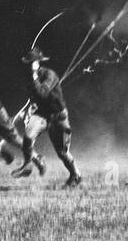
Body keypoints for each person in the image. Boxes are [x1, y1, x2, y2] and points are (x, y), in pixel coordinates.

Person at [14, 47, 81, 186]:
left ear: (38, 63)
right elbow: (34, 99)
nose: (28, 65)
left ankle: (75, 174)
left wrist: (34, 76)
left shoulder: (50, 75)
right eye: (28, 63)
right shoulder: (30, 78)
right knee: (27, 138)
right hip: (43, 115)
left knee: (62, 152)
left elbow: (42, 93)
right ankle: (29, 164)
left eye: (31, 62)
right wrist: (28, 112)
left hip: (58, 117)